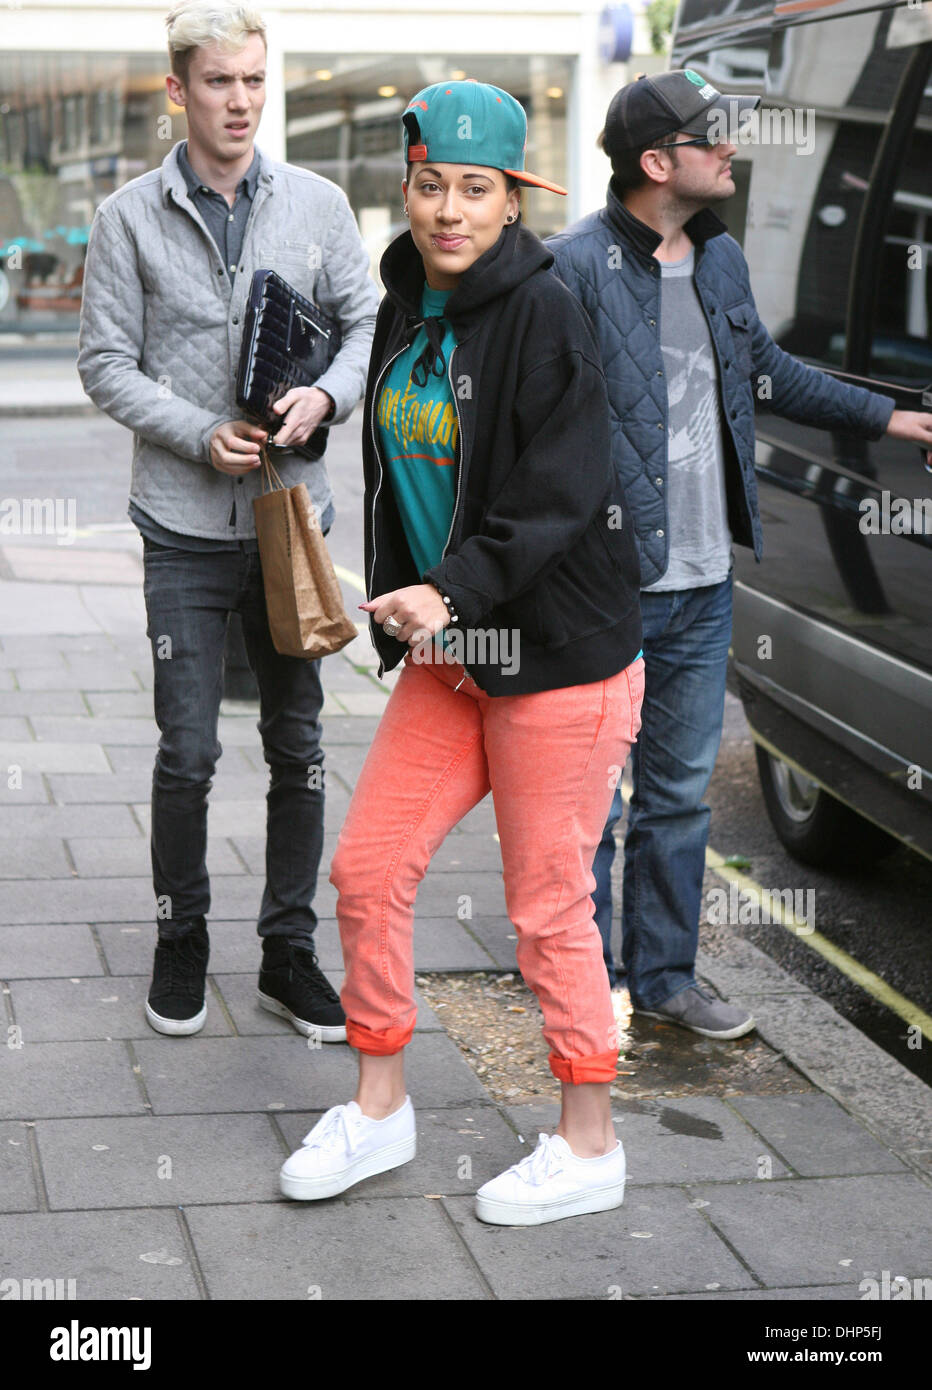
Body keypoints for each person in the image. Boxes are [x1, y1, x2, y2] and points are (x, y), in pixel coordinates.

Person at [278, 79, 645, 1226]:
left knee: (545, 908)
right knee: (367, 869)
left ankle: (589, 1143)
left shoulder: (546, 310)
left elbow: (563, 488)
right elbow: (404, 457)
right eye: (430, 184)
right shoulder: (403, 297)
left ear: (511, 198)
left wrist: (452, 586)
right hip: (450, 650)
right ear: (408, 186)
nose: (447, 210)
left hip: (561, 655)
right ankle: (379, 1107)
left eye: (474, 190)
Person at [545, 70, 932, 1039]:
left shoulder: (716, 261)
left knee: (676, 796)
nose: (729, 151)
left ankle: (665, 981)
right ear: (653, 161)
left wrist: (894, 416)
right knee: (589, 803)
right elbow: (529, 429)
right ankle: (581, 987)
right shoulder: (571, 269)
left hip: (705, 582)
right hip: (608, 589)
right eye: (708, 138)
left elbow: (771, 373)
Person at [77, 2, 378, 1039]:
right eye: (218, 82)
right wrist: (199, 430)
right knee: (189, 751)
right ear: (178, 90)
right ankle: (181, 938)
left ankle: (286, 954)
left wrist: (325, 398)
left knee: (297, 745)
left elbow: (366, 323)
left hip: (292, 521)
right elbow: (105, 363)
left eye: (254, 80)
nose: (240, 100)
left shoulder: (318, 203)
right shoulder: (125, 218)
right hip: (182, 528)